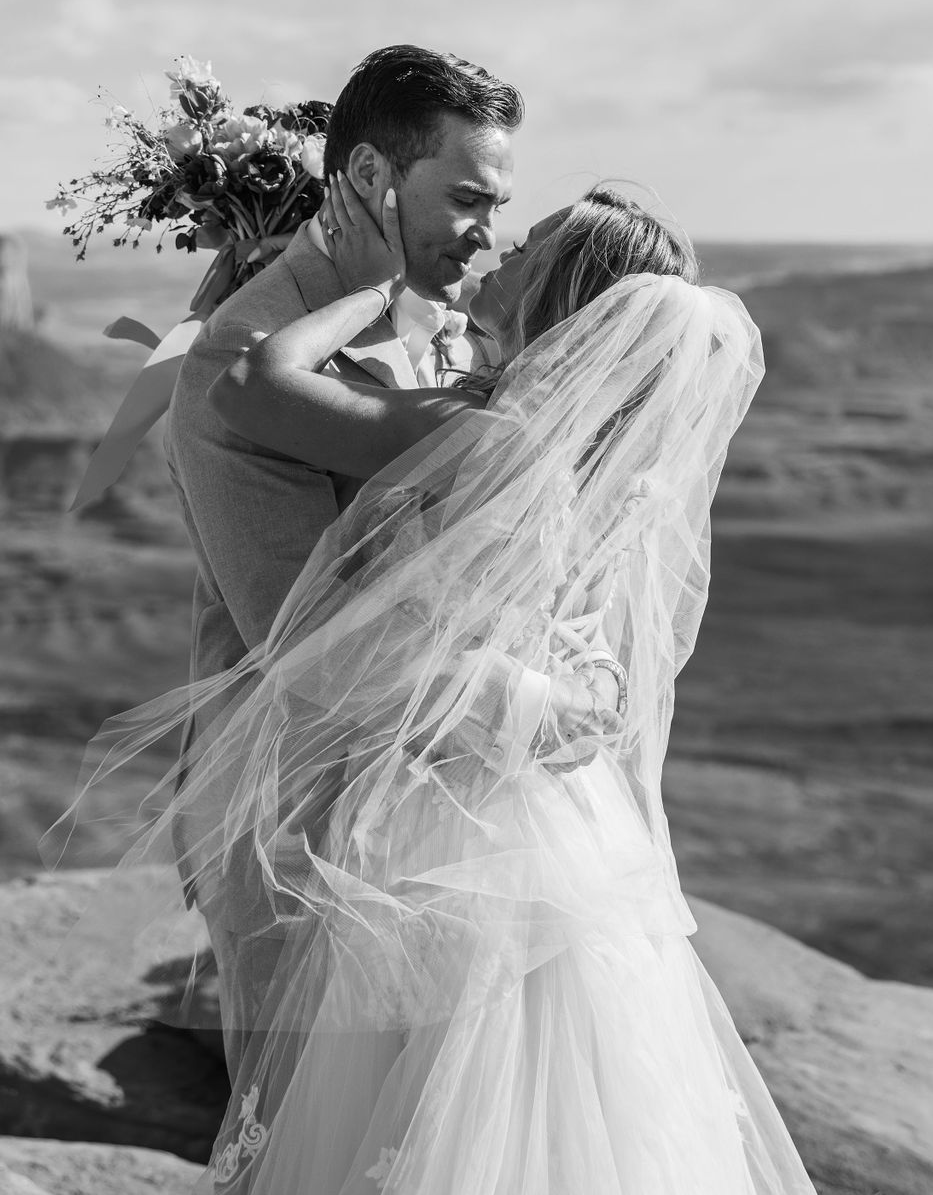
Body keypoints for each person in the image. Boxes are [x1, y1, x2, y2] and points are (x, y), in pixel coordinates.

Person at [69, 181, 816, 1192]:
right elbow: (596, 658)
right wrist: (548, 699)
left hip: (457, 821)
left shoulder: (485, 434)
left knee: (437, 1094)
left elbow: (253, 383)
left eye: (531, 245)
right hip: (561, 817)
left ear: (560, 292)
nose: (501, 250)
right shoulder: (600, 456)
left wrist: (359, 286)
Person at [163, 44, 605, 1081]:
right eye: (464, 198)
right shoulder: (239, 359)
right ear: (370, 177)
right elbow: (312, 648)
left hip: (459, 839)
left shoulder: (446, 322)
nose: (487, 234)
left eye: (498, 204)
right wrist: (533, 707)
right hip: (300, 845)